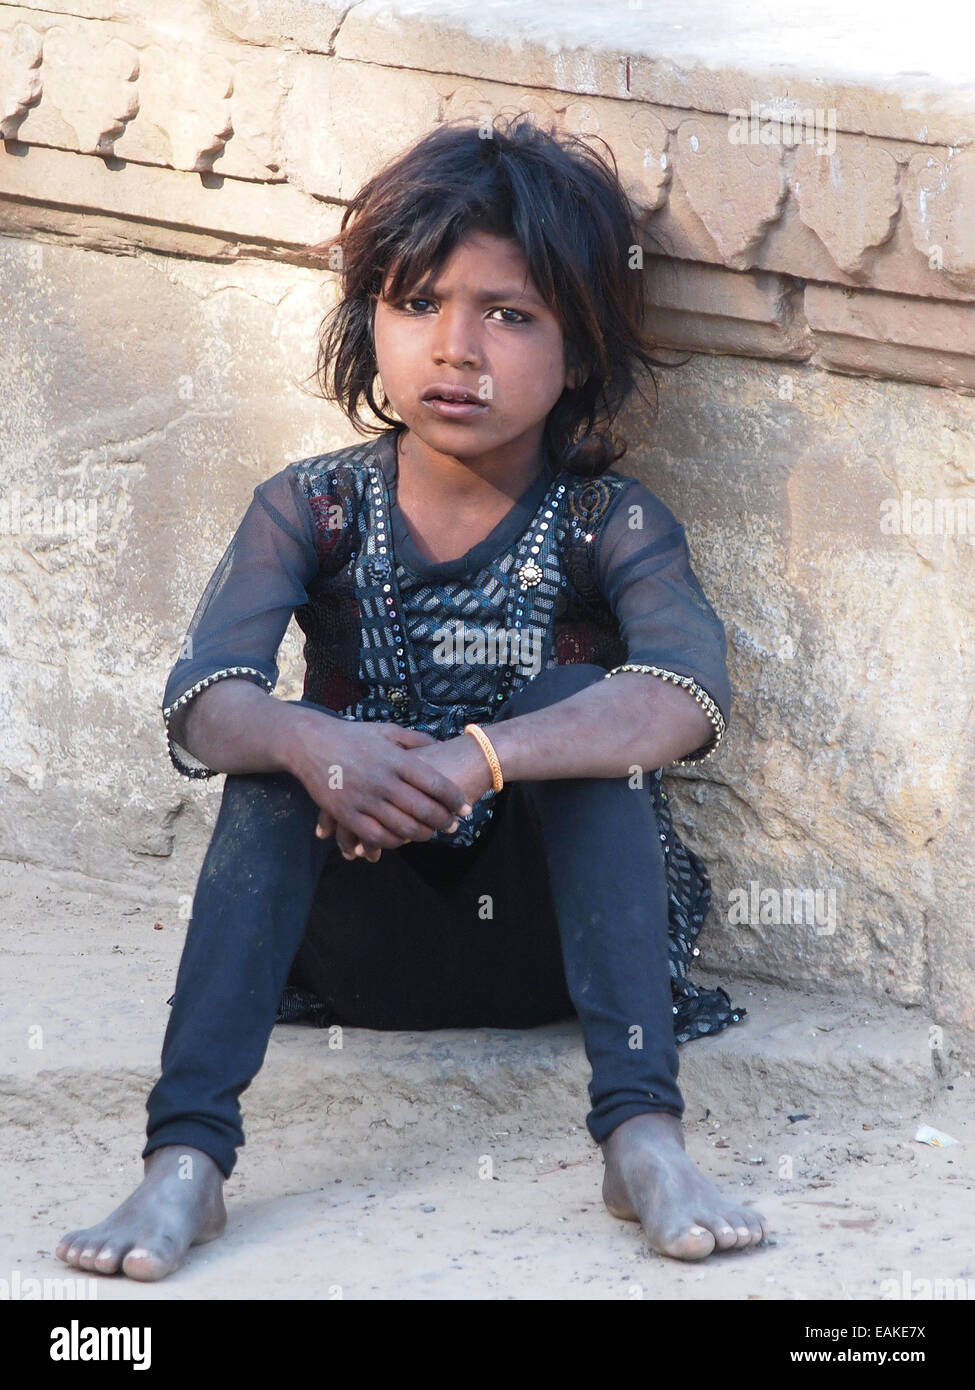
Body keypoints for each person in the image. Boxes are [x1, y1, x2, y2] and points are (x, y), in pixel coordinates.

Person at [55, 116, 767, 1283]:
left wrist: (478, 756)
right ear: (369, 324)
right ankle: (186, 1160)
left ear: (580, 354)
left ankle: (643, 1135)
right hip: (357, 941)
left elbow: (685, 694)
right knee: (275, 761)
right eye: (419, 303)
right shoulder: (310, 505)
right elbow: (202, 700)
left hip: (549, 940)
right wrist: (311, 744)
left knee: (584, 707)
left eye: (510, 314)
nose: (457, 348)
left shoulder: (610, 521)